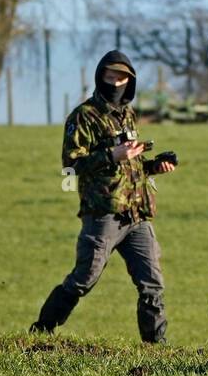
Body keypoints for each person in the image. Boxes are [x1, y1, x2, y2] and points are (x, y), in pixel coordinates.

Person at [30, 50, 176, 343]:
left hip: (136, 214)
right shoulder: (83, 116)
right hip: (103, 214)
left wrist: (154, 166)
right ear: (100, 78)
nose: (116, 83)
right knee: (84, 278)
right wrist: (111, 154)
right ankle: (41, 331)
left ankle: (156, 348)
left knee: (152, 283)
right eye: (110, 77)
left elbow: (128, 167)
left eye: (122, 78)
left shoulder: (128, 115)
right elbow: (71, 165)